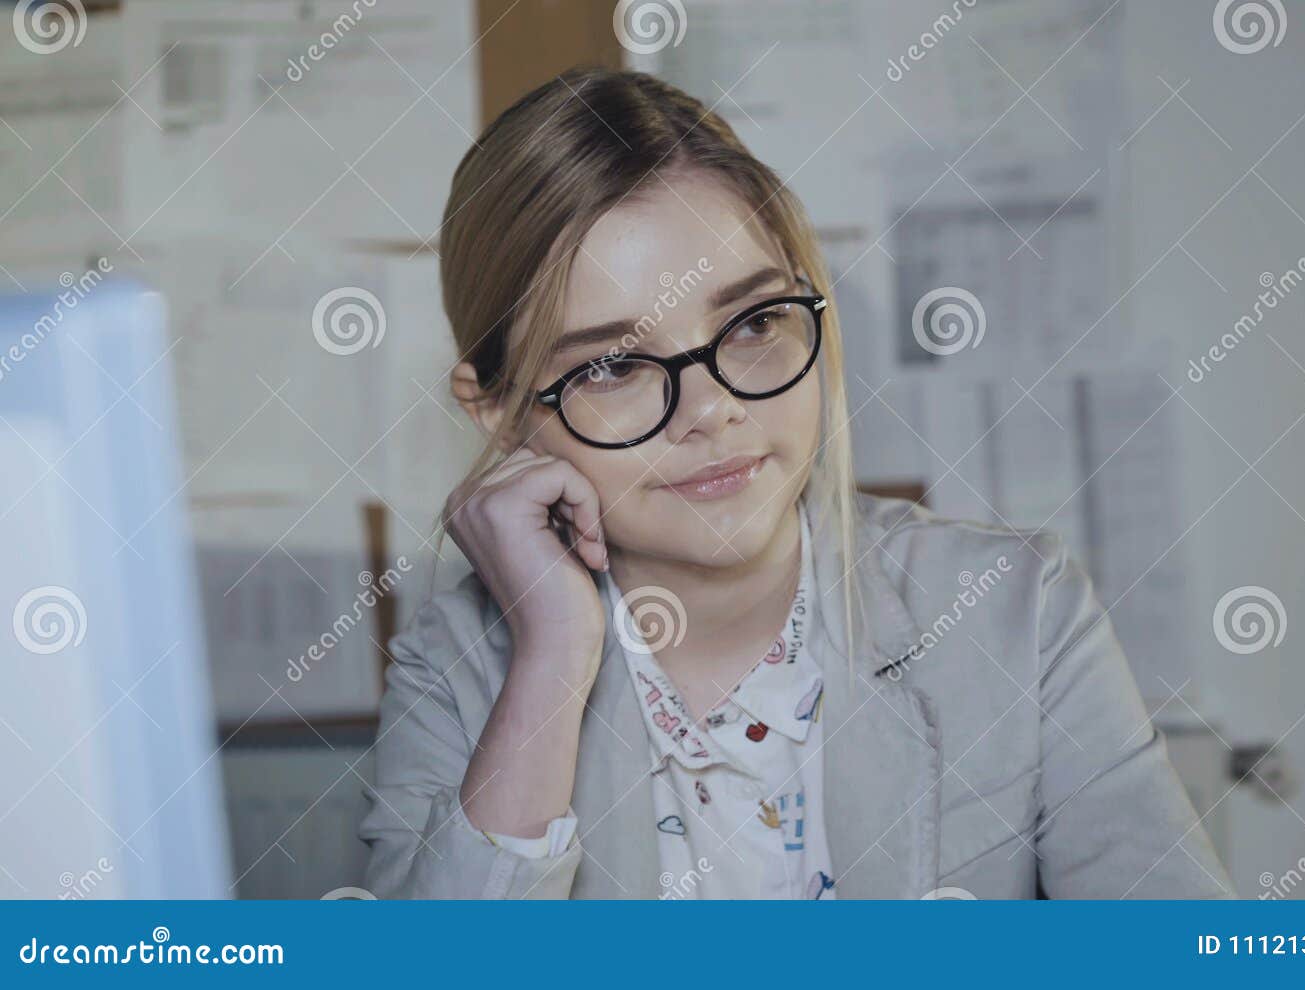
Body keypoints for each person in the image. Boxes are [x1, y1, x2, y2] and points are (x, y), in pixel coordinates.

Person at [357, 67, 1233, 900]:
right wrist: (550, 660)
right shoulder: (460, 669)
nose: (712, 407)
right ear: (501, 414)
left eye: (752, 322)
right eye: (615, 366)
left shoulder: (1019, 613)